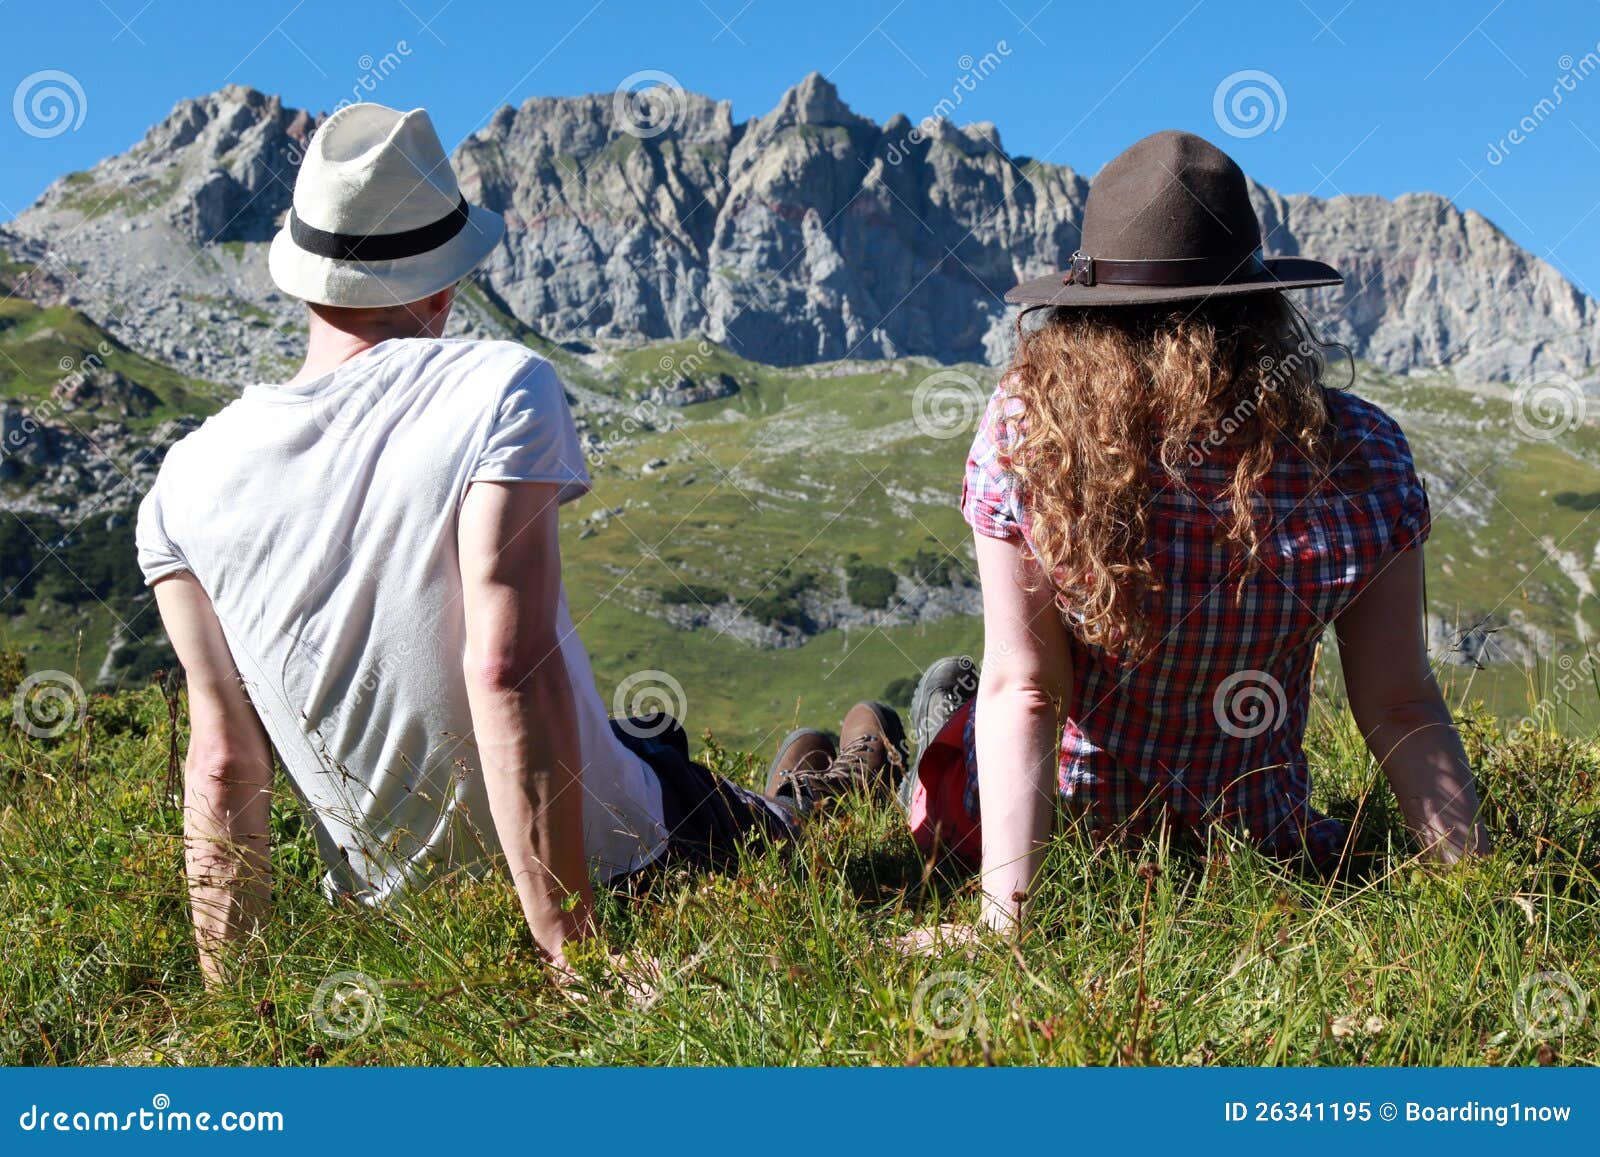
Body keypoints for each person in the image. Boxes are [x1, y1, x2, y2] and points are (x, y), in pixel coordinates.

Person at [136, 102, 795, 985]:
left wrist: (230, 1009)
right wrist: (569, 949)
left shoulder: (180, 482)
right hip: (625, 859)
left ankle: (810, 765)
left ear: (300, 279)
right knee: (722, 803)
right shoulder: (501, 384)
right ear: (443, 287)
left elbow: (222, 760)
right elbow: (507, 668)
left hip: (403, 921)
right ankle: (818, 784)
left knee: (648, 735)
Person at [897, 130, 1489, 939]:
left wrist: (1007, 919)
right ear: (1263, 305)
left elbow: (1030, 692)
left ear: (1086, 316)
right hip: (1257, 843)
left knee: (967, 712)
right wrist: (1473, 884)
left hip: (1070, 837)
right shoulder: (1361, 452)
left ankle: (917, 736)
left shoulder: (1030, 431)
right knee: (964, 697)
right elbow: (1400, 700)